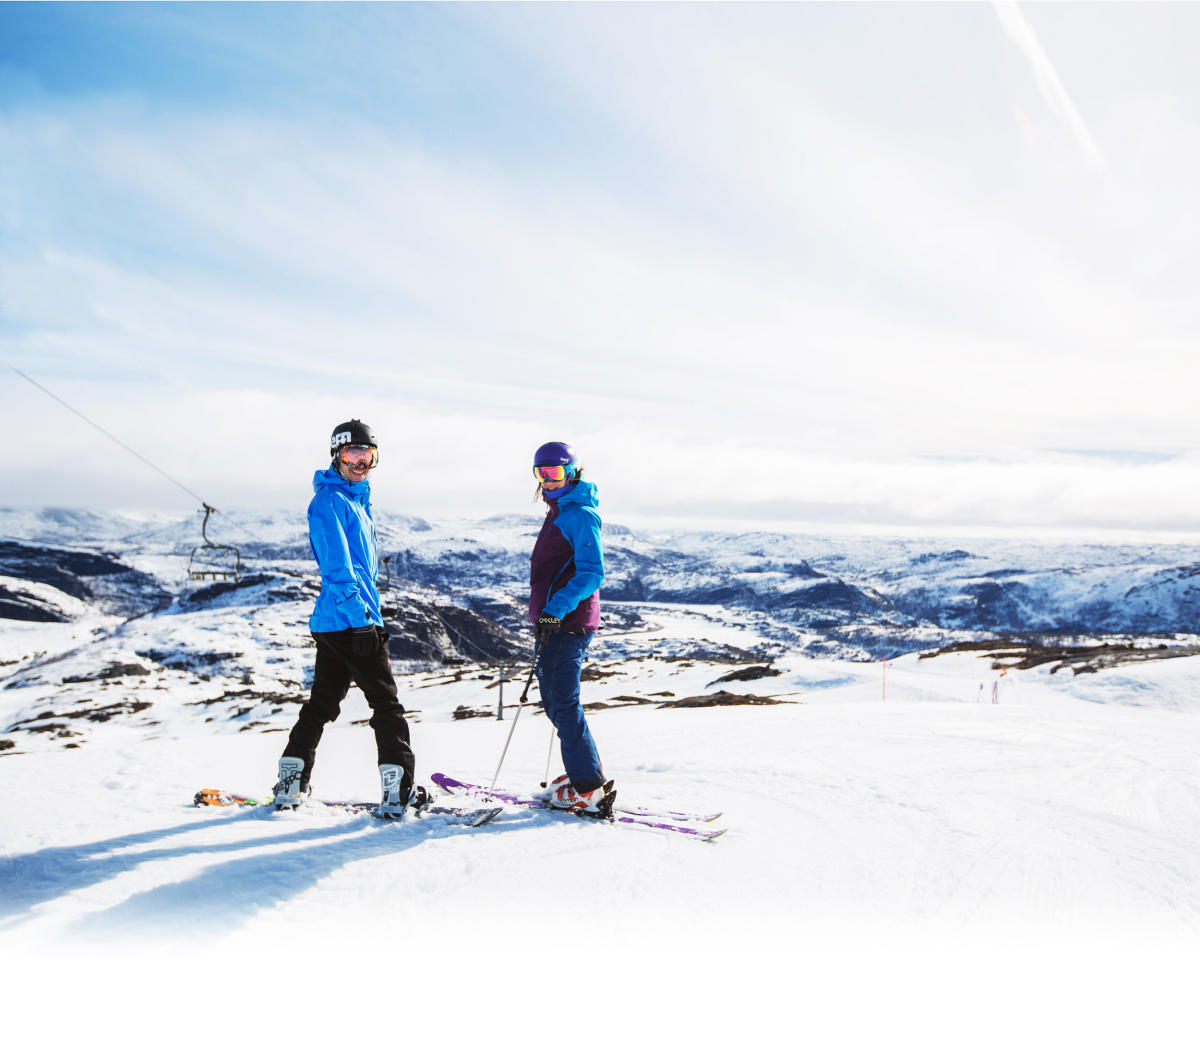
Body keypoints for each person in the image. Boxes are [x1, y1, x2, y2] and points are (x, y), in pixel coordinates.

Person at [274, 419, 419, 817]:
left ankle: (291, 782)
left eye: (368, 455)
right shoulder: (328, 503)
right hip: (350, 623)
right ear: (337, 454)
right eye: (353, 454)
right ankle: (399, 791)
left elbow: (359, 570)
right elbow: (338, 572)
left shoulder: (356, 500)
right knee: (386, 706)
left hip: (335, 623)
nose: (361, 462)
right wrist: (361, 619)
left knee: (321, 705)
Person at [528, 440, 611, 813]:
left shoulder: (578, 514)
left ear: (572, 472)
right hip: (554, 621)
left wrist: (557, 609)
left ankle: (588, 787)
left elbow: (593, 573)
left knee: (563, 702)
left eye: (555, 473)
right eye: (541, 474)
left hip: (568, 622)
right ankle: (582, 775)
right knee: (555, 702)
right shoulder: (560, 509)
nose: (548, 480)